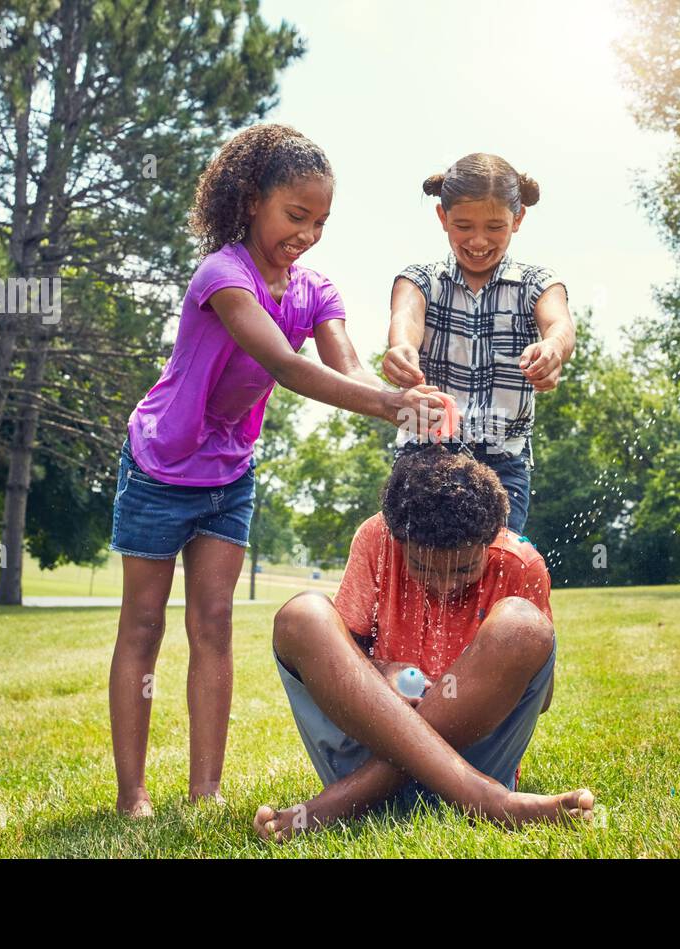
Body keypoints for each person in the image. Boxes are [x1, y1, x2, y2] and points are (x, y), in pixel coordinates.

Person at [108, 124, 447, 817]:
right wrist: (388, 406)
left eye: (321, 221)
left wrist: (397, 383)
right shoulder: (221, 277)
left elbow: (343, 365)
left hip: (229, 475)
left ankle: (205, 791)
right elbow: (286, 366)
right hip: (161, 465)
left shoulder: (315, 290)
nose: (308, 233)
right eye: (296, 216)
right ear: (252, 199)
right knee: (143, 625)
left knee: (214, 619)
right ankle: (132, 792)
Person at [254, 444, 595, 841]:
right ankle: (487, 800)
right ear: (398, 540)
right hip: (368, 746)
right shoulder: (376, 538)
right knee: (303, 615)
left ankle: (345, 801)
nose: (446, 586)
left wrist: (473, 682)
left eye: (466, 568)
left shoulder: (520, 564)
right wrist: (382, 671)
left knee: (523, 624)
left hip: (476, 755)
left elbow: (543, 699)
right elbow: (347, 653)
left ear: (492, 539)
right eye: (422, 567)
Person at [383, 153, 576, 535]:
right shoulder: (420, 279)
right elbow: (405, 317)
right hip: (424, 454)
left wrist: (553, 348)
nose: (478, 240)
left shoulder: (536, 283)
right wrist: (401, 347)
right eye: (463, 225)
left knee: (499, 560)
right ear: (443, 218)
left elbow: (560, 324)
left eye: (494, 227)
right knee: (416, 562)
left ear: (517, 220)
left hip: (503, 462)